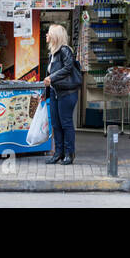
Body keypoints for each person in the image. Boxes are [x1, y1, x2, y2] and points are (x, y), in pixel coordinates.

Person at [42, 24, 78, 165]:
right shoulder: (53, 53)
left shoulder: (65, 50)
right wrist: (47, 92)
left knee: (66, 123)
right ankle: (58, 153)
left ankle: (69, 153)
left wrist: (52, 78)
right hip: (55, 91)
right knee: (56, 124)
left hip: (67, 92)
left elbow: (68, 68)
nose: (46, 35)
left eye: (49, 33)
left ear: (55, 36)